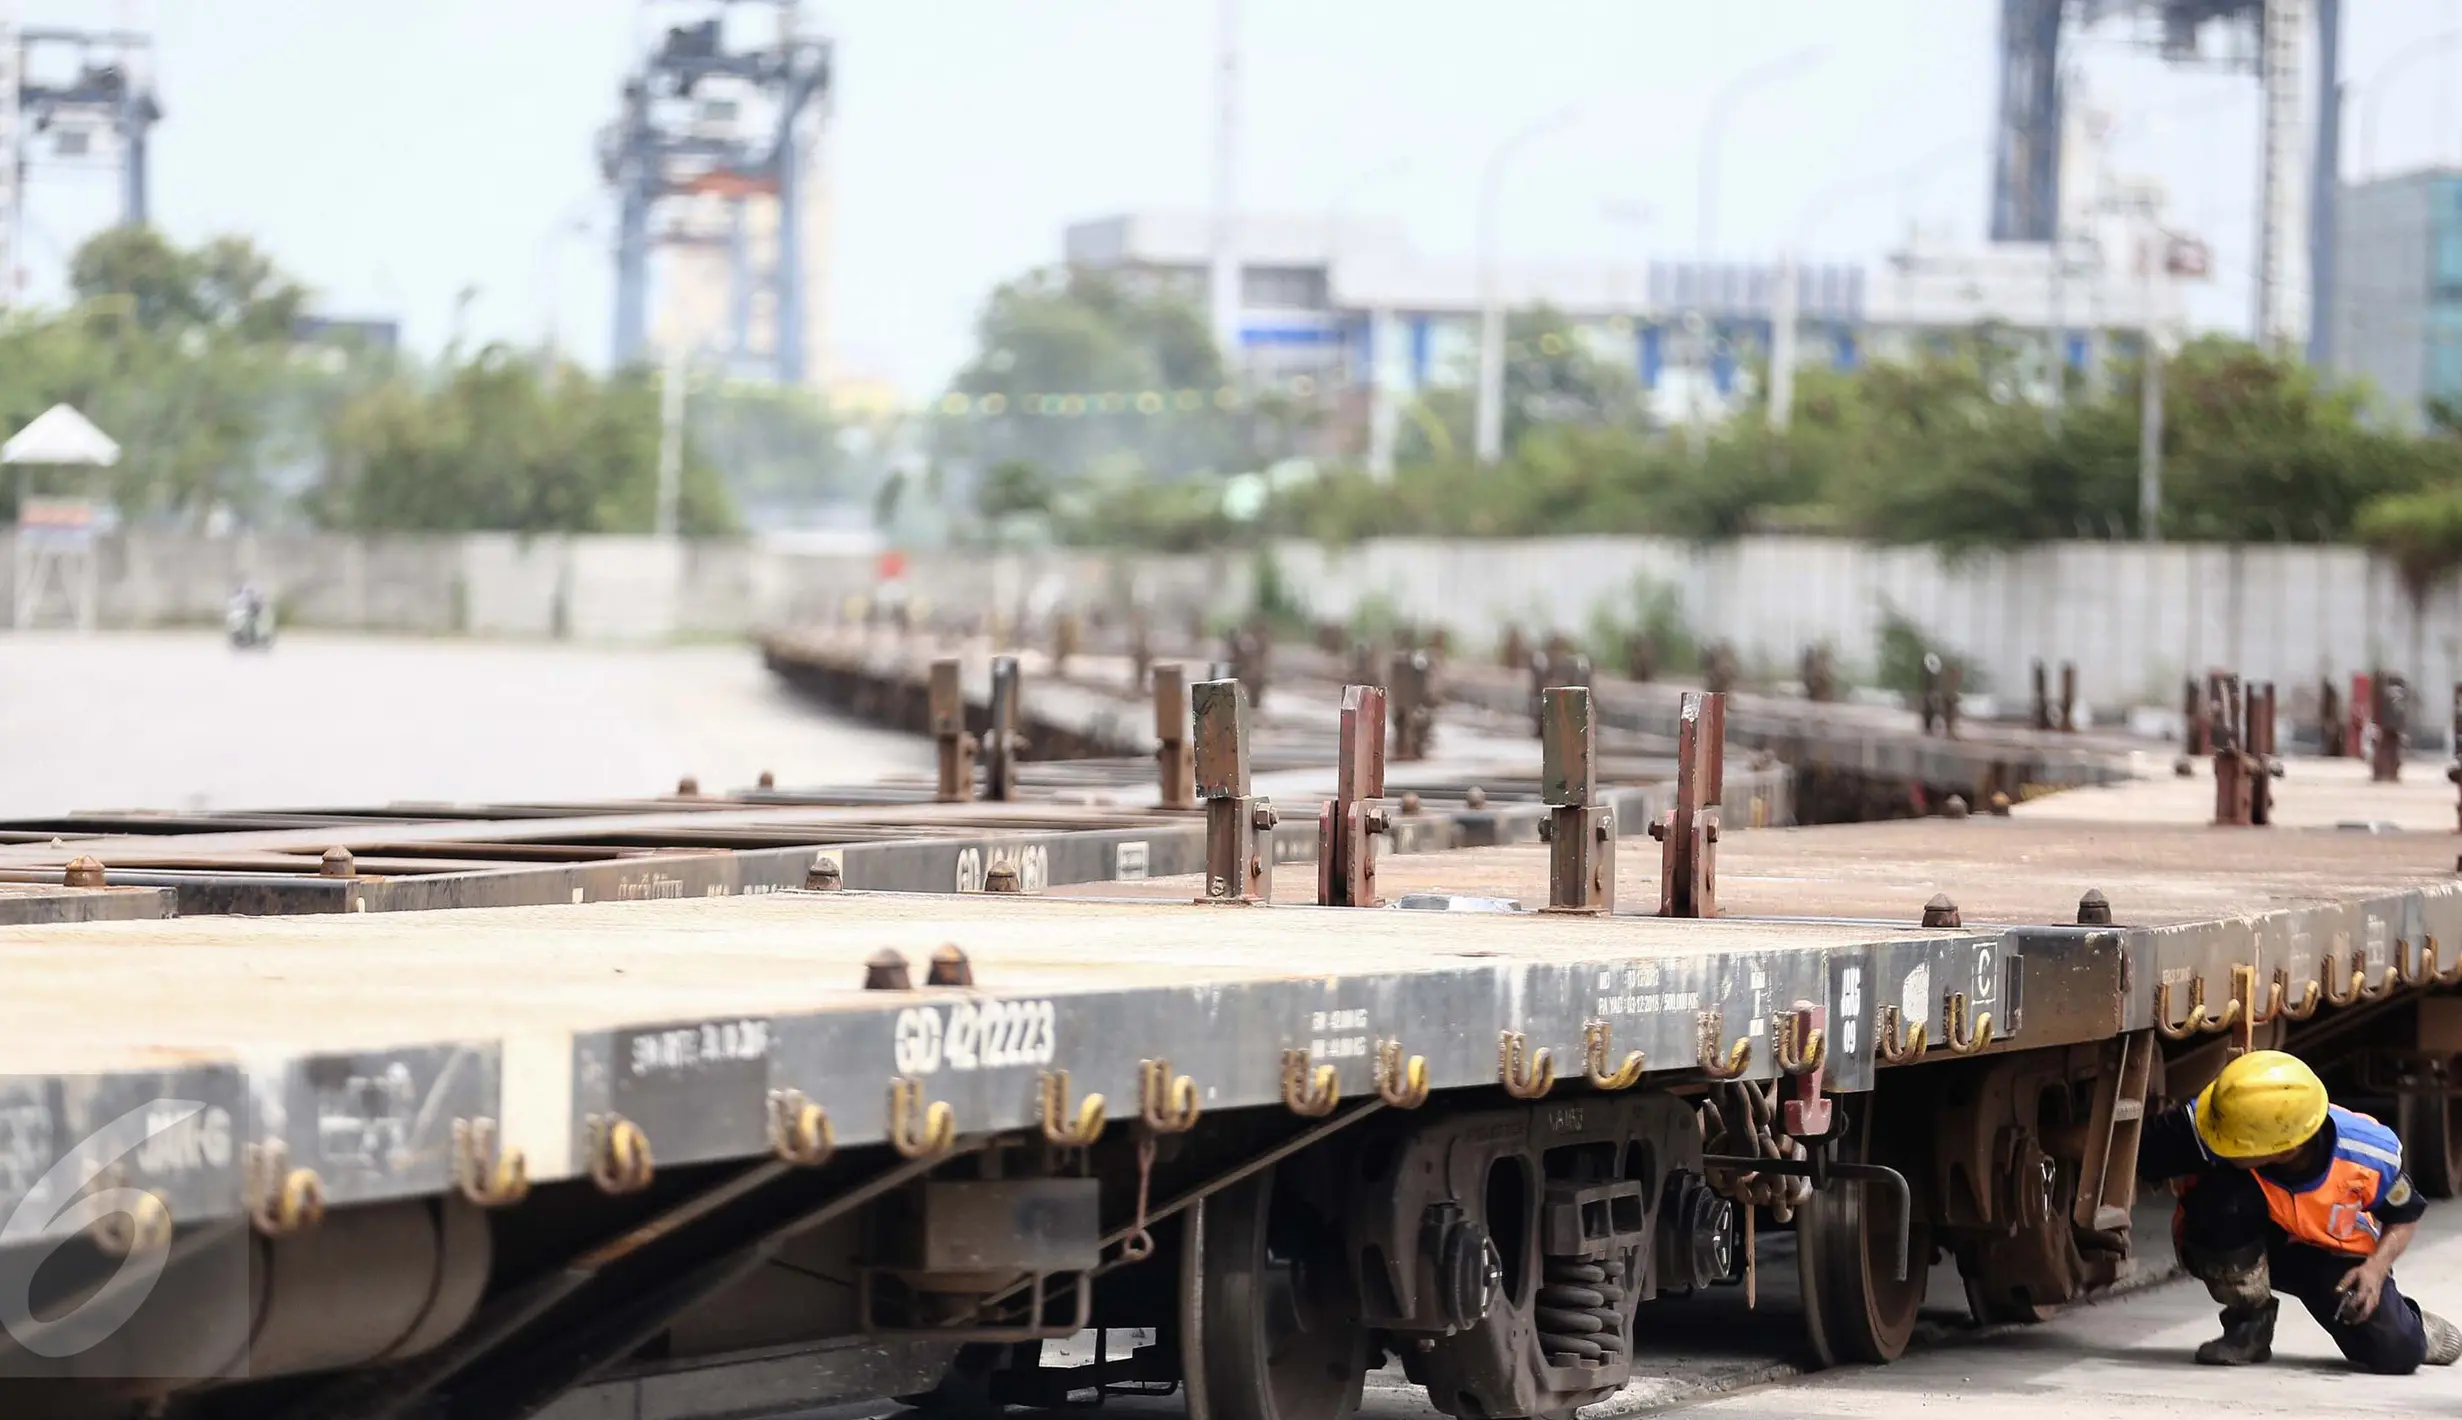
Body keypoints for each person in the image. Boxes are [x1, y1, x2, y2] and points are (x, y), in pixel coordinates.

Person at [2141, 1049, 2460, 1372]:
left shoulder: (2366, 1153)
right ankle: (2249, 1325)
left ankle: (2413, 1327)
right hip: (2250, 1244)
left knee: (2396, 1353)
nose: (2218, 1141)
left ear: (2283, 1151)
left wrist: (2375, 1269)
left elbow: (2404, 1215)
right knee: (2223, 1201)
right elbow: (2135, 1148)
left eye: (2233, 1143)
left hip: (2331, 1258)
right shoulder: (2223, 1119)